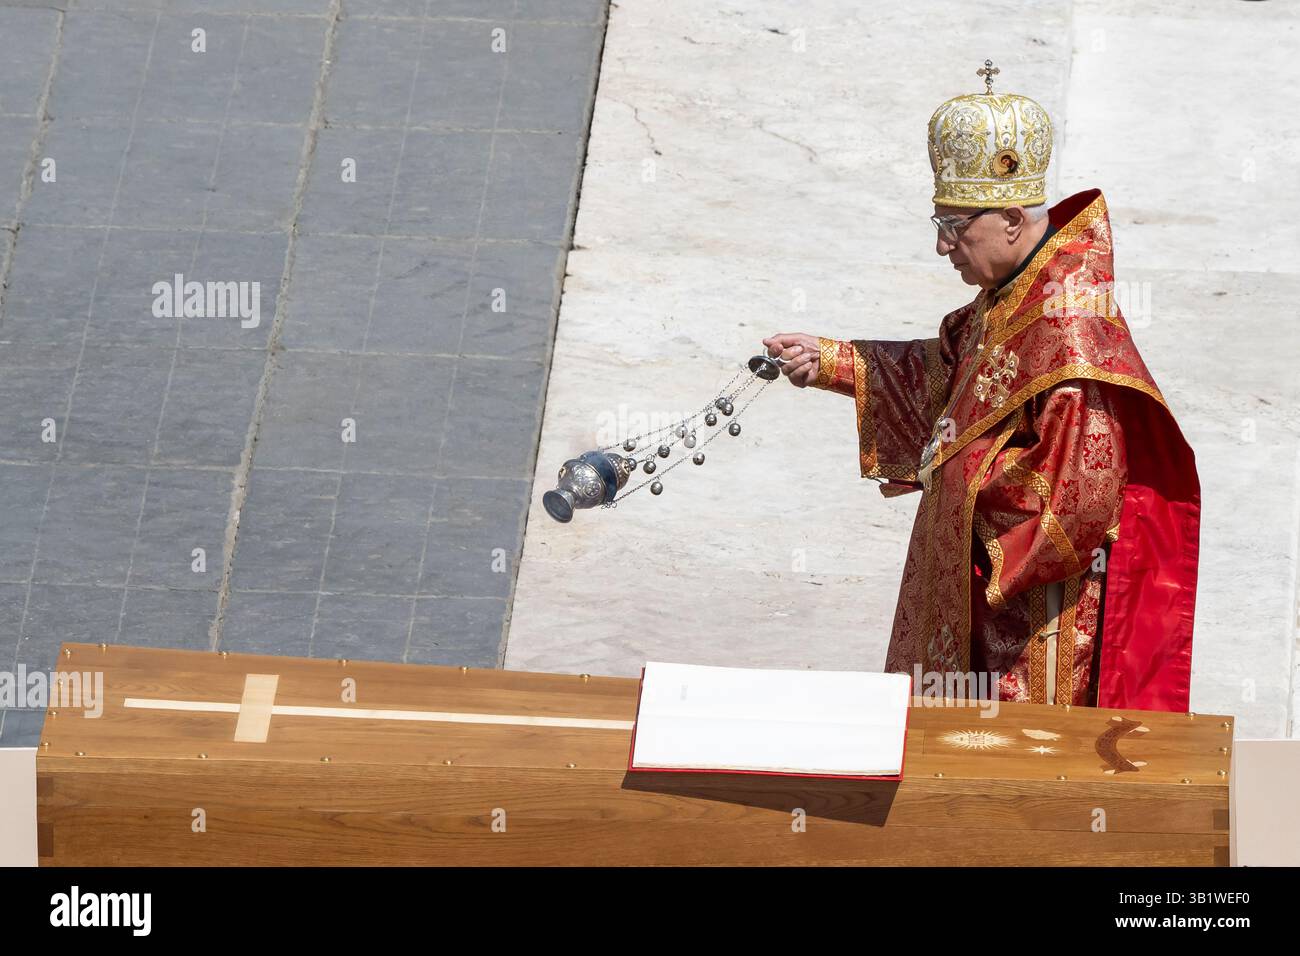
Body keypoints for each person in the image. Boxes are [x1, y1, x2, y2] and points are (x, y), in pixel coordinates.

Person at [763, 64, 1200, 710]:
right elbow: (949, 375)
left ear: (1014, 220)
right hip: (964, 606)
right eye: (938, 225)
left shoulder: (1072, 334)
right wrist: (833, 362)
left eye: (954, 228)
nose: (944, 249)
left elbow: (1080, 498)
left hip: (1022, 632)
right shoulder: (1008, 294)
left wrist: (958, 474)